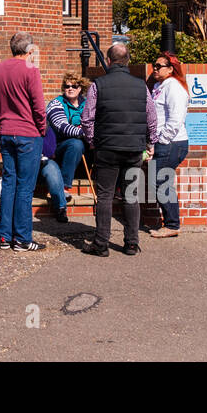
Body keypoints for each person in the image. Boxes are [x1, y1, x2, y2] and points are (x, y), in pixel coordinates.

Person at [80, 42, 157, 257]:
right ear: (128, 60)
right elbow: (152, 117)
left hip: (107, 148)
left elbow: (87, 119)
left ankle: (101, 244)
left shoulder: (98, 85)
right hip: (133, 149)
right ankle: (131, 243)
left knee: (105, 196)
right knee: (131, 196)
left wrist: (93, 141)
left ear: (109, 60)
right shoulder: (141, 85)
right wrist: (151, 144)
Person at [0, 32, 48, 251]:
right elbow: (39, 107)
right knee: (25, 187)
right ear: (29, 49)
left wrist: (4, 121)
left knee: (9, 183)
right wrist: (41, 129)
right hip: (28, 133)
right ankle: (22, 238)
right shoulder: (31, 70)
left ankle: (4, 236)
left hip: (7, 132)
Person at [147, 52, 190, 239]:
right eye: (154, 65)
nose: (154, 69)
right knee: (160, 182)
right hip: (164, 142)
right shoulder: (159, 86)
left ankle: (172, 224)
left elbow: (175, 119)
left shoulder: (174, 87)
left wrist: (161, 141)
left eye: (159, 66)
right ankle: (171, 223)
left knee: (160, 182)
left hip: (172, 143)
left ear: (171, 69)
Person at [39, 72, 89, 224]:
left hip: (78, 149)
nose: (70, 88)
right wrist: (86, 133)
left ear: (80, 88)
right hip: (54, 150)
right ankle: (61, 207)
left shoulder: (86, 104)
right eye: (67, 86)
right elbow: (62, 127)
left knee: (77, 144)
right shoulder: (56, 104)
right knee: (53, 173)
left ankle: (67, 185)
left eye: (74, 85)